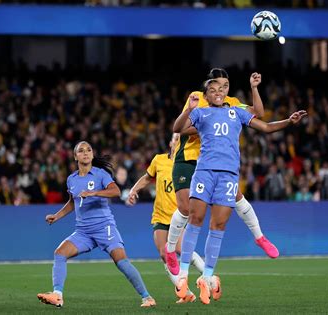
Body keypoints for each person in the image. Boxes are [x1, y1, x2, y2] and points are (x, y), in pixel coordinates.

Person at [173, 79, 306, 304]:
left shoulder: (237, 112)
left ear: (227, 92)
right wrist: (189, 109)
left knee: (219, 226)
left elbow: (266, 126)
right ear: (206, 94)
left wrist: (288, 121)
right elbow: (177, 129)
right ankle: (183, 275)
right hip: (204, 171)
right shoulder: (201, 113)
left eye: (222, 89)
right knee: (196, 218)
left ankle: (206, 278)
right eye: (212, 90)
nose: (218, 92)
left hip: (229, 176)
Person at [165, 68, 279, 277]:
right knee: (184, 208)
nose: (222, 90)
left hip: (215, 162)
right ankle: (170, 249)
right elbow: (182, 127)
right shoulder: (197, 97)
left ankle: (260, 237)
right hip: (188, 158)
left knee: (236, 197)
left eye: (226, 85)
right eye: (218, 85)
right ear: (209, 85)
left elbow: (259, 113)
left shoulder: (232, 102)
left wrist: (254, 88)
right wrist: (209, 124)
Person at [37, 141, 156, 308]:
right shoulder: (71, 179)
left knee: (121, 261)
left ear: (92, 155)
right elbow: (73, 201)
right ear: (75, 156)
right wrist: (57, 216)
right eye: (81, 151)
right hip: (83, 231)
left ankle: (147, 297)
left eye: (88, 150)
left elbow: (115, 191)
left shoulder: (101, 175)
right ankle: (57, 295)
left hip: (104, 227)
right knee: (59, 253)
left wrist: (94, 193)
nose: (85, 153)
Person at [126, 134, 218, 303]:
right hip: (160, 215)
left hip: (179, 216)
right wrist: (133, 190)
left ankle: (210, 278)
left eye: (180, 139)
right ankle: (186, 293)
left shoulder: (189, 164)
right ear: (170, 143)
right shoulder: (159, 160)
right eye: (175, 139)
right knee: (163, 253)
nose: (177, 141)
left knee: (183, 251)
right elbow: (147, 178)